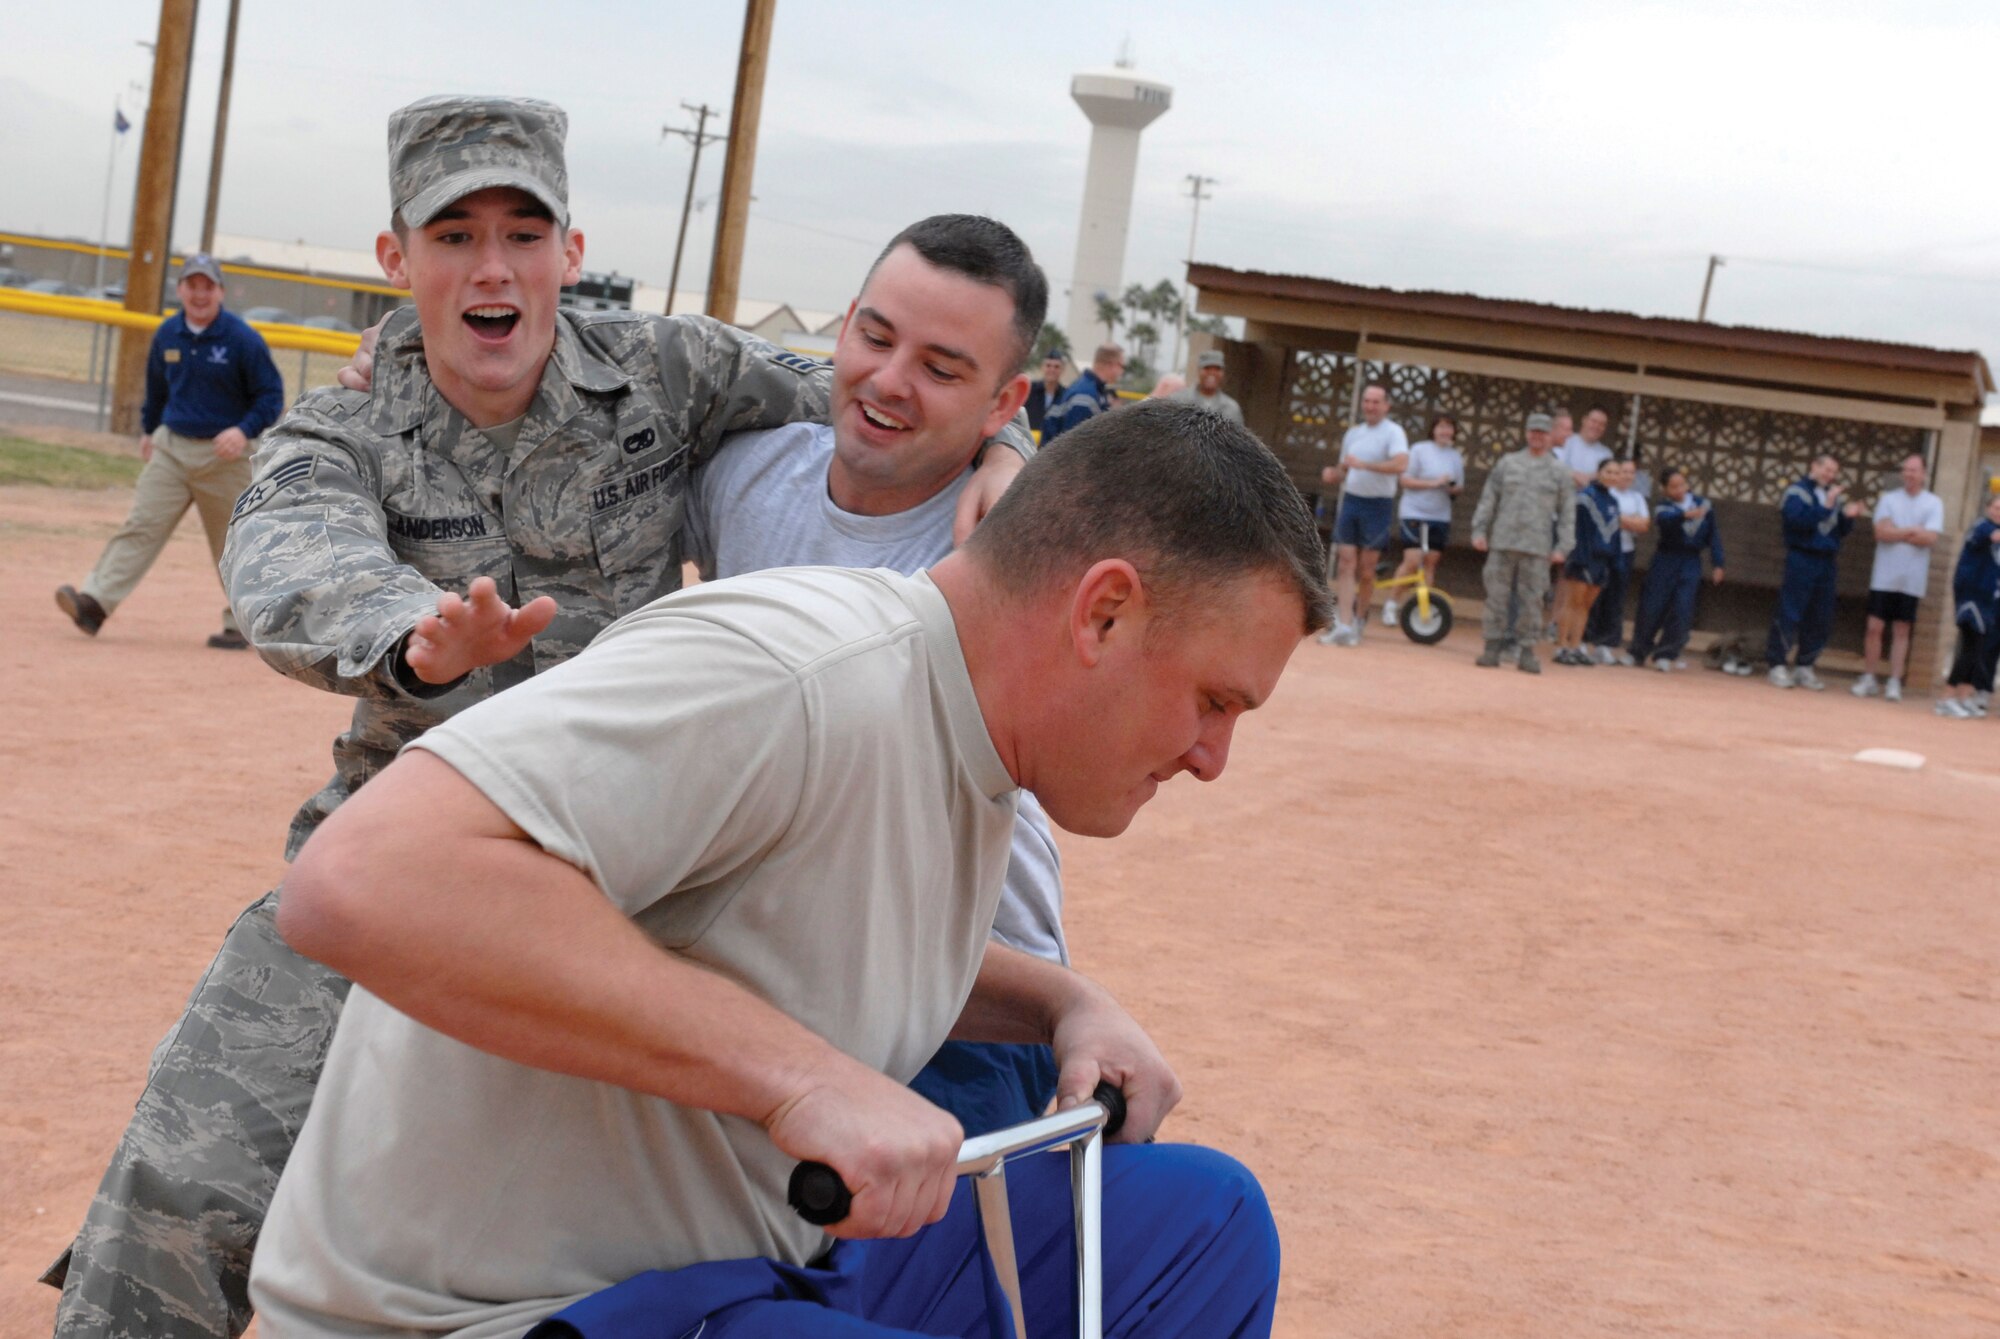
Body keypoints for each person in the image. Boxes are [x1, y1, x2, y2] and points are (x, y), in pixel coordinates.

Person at [42, 96, 1032, 1339]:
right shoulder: (340, 431)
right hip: (403, 858)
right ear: (397, 260)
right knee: (183, 1184)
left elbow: (886, 390)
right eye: (453, 235)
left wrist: (1018, 453)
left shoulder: (667, 373)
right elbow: (289, 558)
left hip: (633, 877)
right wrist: (411, 633)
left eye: (524, 230)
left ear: (570, 250)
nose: (492, 266)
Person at [246, 400, 1325, 1338]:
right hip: (507, 1312)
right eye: (1214, 701)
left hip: (741, 1271)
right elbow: (366, 878)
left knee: (1203, 1224)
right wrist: (803, 1081)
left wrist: (1060, 1001)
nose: (1211, 758)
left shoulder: (972, 735)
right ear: (1101, 612)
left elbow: (806, 933)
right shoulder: (797, 673)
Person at [683, 213, 1069, 1136]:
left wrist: (1019, 463)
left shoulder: (1012, 546)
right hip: (774, 964)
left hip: (968, 992)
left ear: (1004, 400)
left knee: (904, 1254)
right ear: (846, 322)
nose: (889, 383)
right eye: (876, 337)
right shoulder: (744, 477)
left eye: (942, 369)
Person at [53, 253, 284, 649]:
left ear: (220, 292)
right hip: (172, 449)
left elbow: (271, 396)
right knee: (141, 525)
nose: (199, 294)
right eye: (191, 285)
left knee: (235, 543)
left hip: (225, 456)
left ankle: (246, 623)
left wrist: (242, 430)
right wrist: (149, 430)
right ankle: (94, 604)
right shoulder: (168, 334)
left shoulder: (241, 339)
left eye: (207, 286)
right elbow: (157, 390)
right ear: (179, 290)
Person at [1471, 411, 1574, 674]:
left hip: (1537, 546)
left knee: (1532, 601)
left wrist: (1563, 546)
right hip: (1503, 541)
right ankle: (1492, 647)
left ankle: (1527, 651)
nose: (1537, 437)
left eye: (1542, 432)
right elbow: (1489, 498)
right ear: (1526, 433)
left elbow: (1567, 512)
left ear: (1550, 435)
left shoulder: (1559, 471)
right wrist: (1479, 530)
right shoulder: (1508, 463)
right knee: (1496, 597)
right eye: (1533, 431)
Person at [1315, 382, 1408, 645]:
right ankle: (1343, 623)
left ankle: (1358, 619)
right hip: (1352, 501)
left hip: (1378, 505)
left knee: (1367, 570)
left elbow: (1401, 464)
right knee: (1345, 562)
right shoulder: (1353, 433)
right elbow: (1344, 468)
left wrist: (1365, 465)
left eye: (1376, 401)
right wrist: (1334, 474)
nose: (1370, 406)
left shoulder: (1394, 432)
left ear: (1386, 406)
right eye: (1367, 401)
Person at [1767, 452, 1866, 690]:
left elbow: (1837, 531)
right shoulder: (1797, 492)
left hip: (1827, 561)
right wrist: (1826, 506)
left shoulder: (1834, 495)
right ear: (1814, 466)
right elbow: (1796, 522)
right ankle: (1777, 664)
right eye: (1826, 469)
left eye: (1833, 472)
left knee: (1820, 614)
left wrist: (1847, 516)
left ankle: (1805, 666)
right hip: (1802, 557)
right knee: (1791, 610)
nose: (1830, 475)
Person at [1853, 453, 1943, 702]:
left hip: (1912, 579)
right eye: (1906, 470)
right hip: (1883, 576)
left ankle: (1894, 681)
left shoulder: (1933, 503)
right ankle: (1869, 677)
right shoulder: (1889, 500)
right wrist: (1911, 530)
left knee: (1902, 630)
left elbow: (1931, 538)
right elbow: (1881, 533)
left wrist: (1897, 532)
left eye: (1914, 470)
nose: (1909, 474)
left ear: (1924, 474)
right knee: (1874, 628)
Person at [1628, 466, 1726, 671]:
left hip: (1691, 562)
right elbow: (1665, 523)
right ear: (1665, 490)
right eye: (1673, 487)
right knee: (1652, 606)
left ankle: (1666, 653)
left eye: (1682, 484)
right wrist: (1684, 516)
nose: (1679, 490)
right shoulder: (1664, 507)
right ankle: (1638, 651)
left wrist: (1718, 563)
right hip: (1666, 559)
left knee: (1683, 607)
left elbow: (1713, 536)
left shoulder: (1704, 505)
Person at [1382, 412, 1463, 628]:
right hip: (1415, 513)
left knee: (1430, 562)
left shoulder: (1455, 456)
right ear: (1433, 429)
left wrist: (1451, 487)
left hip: (1440, 516)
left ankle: (1420, 608)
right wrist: (1434, 483)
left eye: (1449, 427)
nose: (1445, 431)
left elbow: (1458, 487)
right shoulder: (1419, 450)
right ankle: (1391, 604)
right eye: (1441, 427)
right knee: (1412, 561)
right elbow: (1405, 480)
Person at [1937, 491, 2000, 718]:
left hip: (1986, 598)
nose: (1998, 513)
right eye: (1996, 508)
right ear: (1988, 508)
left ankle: (1963, 696)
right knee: (1969, 647)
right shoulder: (1982, 527)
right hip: (1971, 596)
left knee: (1978, 649)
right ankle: (1946, 697)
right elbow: (1992, 537)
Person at [1554, 457, 1623, 665]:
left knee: (1585, 606)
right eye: (1608, 472)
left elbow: (1616, 534)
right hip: (1583, 558)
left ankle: (1575, 646)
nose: (1612, 476)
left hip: (1603, 561)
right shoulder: (1585, 497)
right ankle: (1561, 647)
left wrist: (1614, 559)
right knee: (1572, 602)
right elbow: (1578, 529)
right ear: (1599, 473)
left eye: (1616, 473)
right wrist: (1578, 556)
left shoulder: (1613, 502)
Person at [1583, 457, 1650, 663]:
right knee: (1594, 596)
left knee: (1615, 598)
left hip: (1625, 551)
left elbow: (1644, 525)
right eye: (1623, 471)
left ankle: (1606, 644)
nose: (1627, 476)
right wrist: (1629, 521)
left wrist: (1621, 520)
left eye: (1632, 472)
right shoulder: (1606, 494)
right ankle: (1584, 640)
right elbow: (1607, 518)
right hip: (1602, 551)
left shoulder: (1637, 497)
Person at [1041, 341, 1123, 441]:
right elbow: (1074, 445)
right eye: (1121, 366)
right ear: (1111, 365)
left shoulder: (1092, 391)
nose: (1121, 371)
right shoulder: (1085, 396)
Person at [1167, 348, 1244, 423]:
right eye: (1207, 368)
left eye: (1217, 369)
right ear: (1199, 370)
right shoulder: (1178, 401)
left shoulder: (1231, 408)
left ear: (1223, 373)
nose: (1212, 373)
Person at [1557, 406, 1612, 489]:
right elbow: (1556, 468)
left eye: (1601, 424)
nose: (1596, 426)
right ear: (1584, 420)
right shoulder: (1566, 441)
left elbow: (1606, 479)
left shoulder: (1606, 454)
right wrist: (1579, 477)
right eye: (1594, 421)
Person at [1023, 350, 1066, 435]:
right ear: (1042, 367)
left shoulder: (1065, 396)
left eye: (1056, 367)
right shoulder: (1029, 390)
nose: (1052, 370)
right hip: (1028, 441)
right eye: (1048, 366)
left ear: (1062, 370)